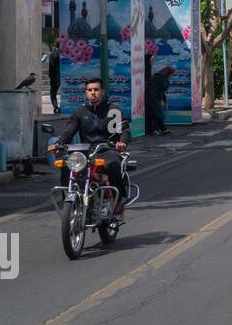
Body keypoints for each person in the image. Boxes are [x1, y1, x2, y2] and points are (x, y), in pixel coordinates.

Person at [49, 77, 129, 216]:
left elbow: (124, 131)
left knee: (113, 164)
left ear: (102, 91)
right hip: (85, 152)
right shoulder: (80, 113)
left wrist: (122, 142)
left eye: (96, 90)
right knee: (67, 165)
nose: (93, 93)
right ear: (86, 93)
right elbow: (68, 132)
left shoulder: (113, 110)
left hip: (107, 149)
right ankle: (70, 198)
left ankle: (118, 201)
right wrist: (59, 143)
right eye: (90, 90)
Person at [146, 66, 175, 135]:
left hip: (151, 97)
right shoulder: (161, 78)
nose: (172, 76)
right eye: (172, 74)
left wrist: (164, 99)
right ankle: (163, 129)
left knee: (152, 114)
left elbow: (160, 90)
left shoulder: (158, 76)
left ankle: (153, 129)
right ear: (169, 73)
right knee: (158, 113)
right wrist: (168, 80)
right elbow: (165, 87)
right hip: (153, 97)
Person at [45, 42, 61, 113]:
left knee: (53, 93)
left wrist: (51, 76)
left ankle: (56, 107)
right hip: (63, 76)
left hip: (55, 76)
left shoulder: (52, 55)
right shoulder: (65, 54)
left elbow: (51, 67)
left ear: (55, 46)